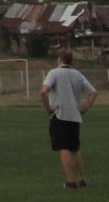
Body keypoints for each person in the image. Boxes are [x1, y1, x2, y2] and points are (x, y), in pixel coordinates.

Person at [40, 48, 98, 188]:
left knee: (63, 148)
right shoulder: (77, 74)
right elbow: (93, 92)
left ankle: (70, 181)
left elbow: (43, 92)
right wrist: (85, 107)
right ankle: (82, 179)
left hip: (60, 115)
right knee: (74, 149)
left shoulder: (54, 73)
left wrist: (49, 108)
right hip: (75, 116)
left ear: (60, 59)